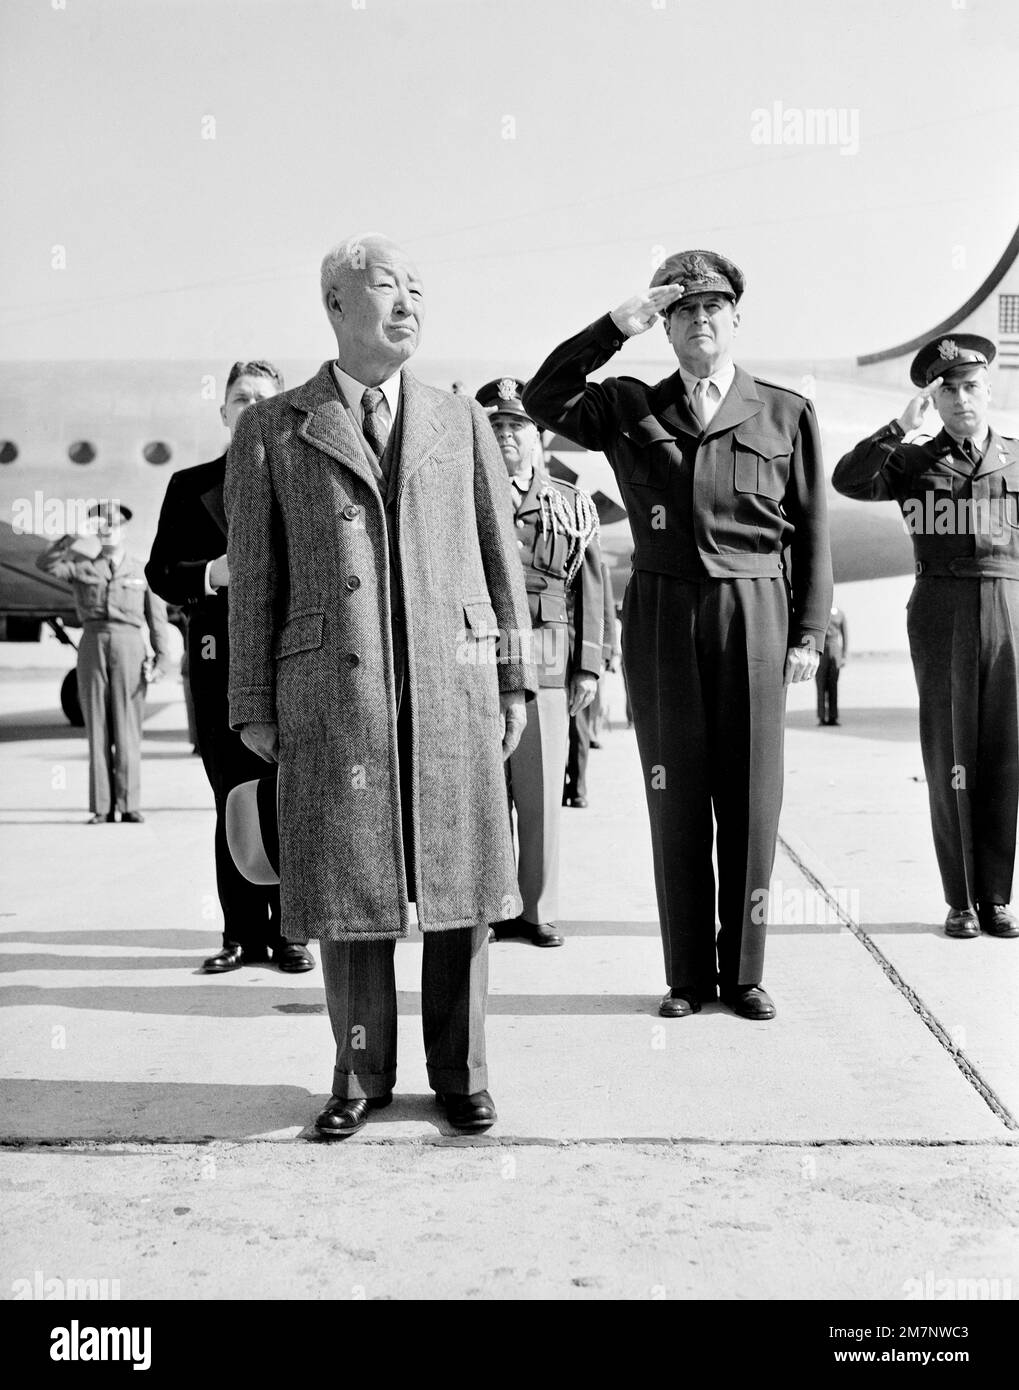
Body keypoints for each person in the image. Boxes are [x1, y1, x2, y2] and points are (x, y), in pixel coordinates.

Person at [226, 233, 535, 1139]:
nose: (408, 305)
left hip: (451, 680)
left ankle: (462, 1073)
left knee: (458, 881)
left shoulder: (458, 417)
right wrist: (252, 701)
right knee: (351, 880)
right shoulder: (274, 428)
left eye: (417, 292)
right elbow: (256, 579)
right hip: (334, 682)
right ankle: (357, 1074)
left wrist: (514, 677)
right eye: (387, 289)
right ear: (334, 303)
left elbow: (497, 557)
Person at [524, 249, 833, 1021]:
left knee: (753, 800)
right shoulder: (631, 406)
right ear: (663, 326)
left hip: (753, 606)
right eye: (681, 310)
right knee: (676, 800)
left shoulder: (783, 411)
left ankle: (747, 974)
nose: (700, 320)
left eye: (712, 307)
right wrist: (613, 325)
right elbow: (542, 396)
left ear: (735, 317)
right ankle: (688, 977)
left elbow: (811, 531)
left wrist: (807, 631)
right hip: (662, 613)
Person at [832, 334, 1019, 942]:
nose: (962, 399)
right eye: (948, 391)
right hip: (942, 607)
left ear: (988, 391)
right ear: (933, 401)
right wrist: (896, 426)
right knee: (951, 754)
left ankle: (996, 899)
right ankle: (960, 900)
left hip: (1011, 606)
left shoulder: (1017, 458)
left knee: (1005, 755)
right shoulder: (911, 462)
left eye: (970, 387)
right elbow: (848, 481)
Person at [146, 360, 313, 975]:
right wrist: (209, 574)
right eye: (240, 398)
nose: (250, 407)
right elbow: (160, 572)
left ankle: (291, 932)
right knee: (231, 800)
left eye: (262, 399)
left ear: (279, 408)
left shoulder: (303, 480)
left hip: (292, 667)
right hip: (219, 667)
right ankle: (241, 933)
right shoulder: (189, 487)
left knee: (286, 799)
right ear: (223, 411)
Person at [477, 376, 602, 948]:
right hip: (478, 652)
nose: (506, 434)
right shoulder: (463, 499)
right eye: (496, 425)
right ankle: (494, 904)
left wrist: (590, 667)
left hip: (549, 652)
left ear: (538, 437)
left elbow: (592, 588)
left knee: (541, 787)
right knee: (487, 788)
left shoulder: (571, 503)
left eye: (517, 426)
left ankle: (537, 910)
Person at [37, 502, 170, 823]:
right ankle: (101, 807)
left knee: (128, 727)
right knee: (97, 725)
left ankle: (129, 803)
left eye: (115, 525)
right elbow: (45, 563)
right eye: (102, 525)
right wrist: (71, 537)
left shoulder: (141, 571)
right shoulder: (82, 568)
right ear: (96, 530)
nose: (108, 530)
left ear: (124, 529)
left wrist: (162, 658)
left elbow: (157, 620)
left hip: (130, 645)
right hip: (93, 643)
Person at [816, 605, 848, 725]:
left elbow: (845, 636)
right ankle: (821, 716)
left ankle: (833, 717)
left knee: (833, 686)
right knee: (821, 685)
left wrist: (844, 655)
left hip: (835, 651)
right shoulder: (819, 611)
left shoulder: (839, 613)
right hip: (821, 650)